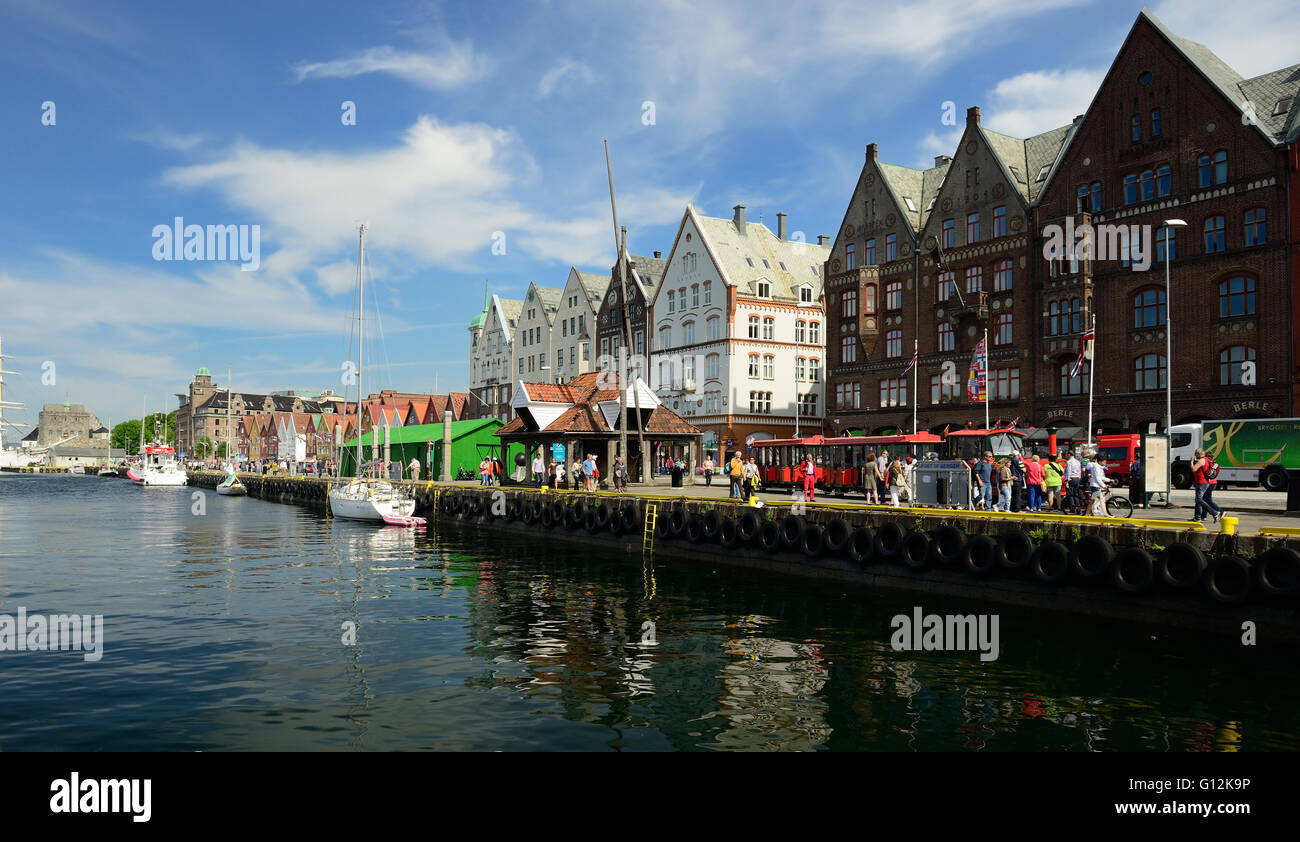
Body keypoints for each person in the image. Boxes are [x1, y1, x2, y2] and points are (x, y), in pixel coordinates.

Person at [1191, 448, 1223, 522]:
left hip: (1202, 483)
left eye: (1196, 453)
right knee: (1200, 500)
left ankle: (1215, 513)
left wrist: (1191, 462)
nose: (1195, 455)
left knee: (1200, 500)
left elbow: (1193, 469)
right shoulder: (1207, 460)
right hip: (1204, 482)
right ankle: (1198, 517)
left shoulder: (1202, 460)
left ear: (1199, 454)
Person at [1087, 449, 1110, 516]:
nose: (1105, 464)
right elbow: (1097, 478)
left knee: (1092, 501)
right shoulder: (1096, 467)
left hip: (1096, 485)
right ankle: (1106, 514)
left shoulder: (1099, 467)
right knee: (1102, 500)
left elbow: (1101, 477)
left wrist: (1109, 480)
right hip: (1095, 486)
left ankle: (1086, 514)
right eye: (1104, 462)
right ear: (1100, 461)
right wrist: (1104, 486)